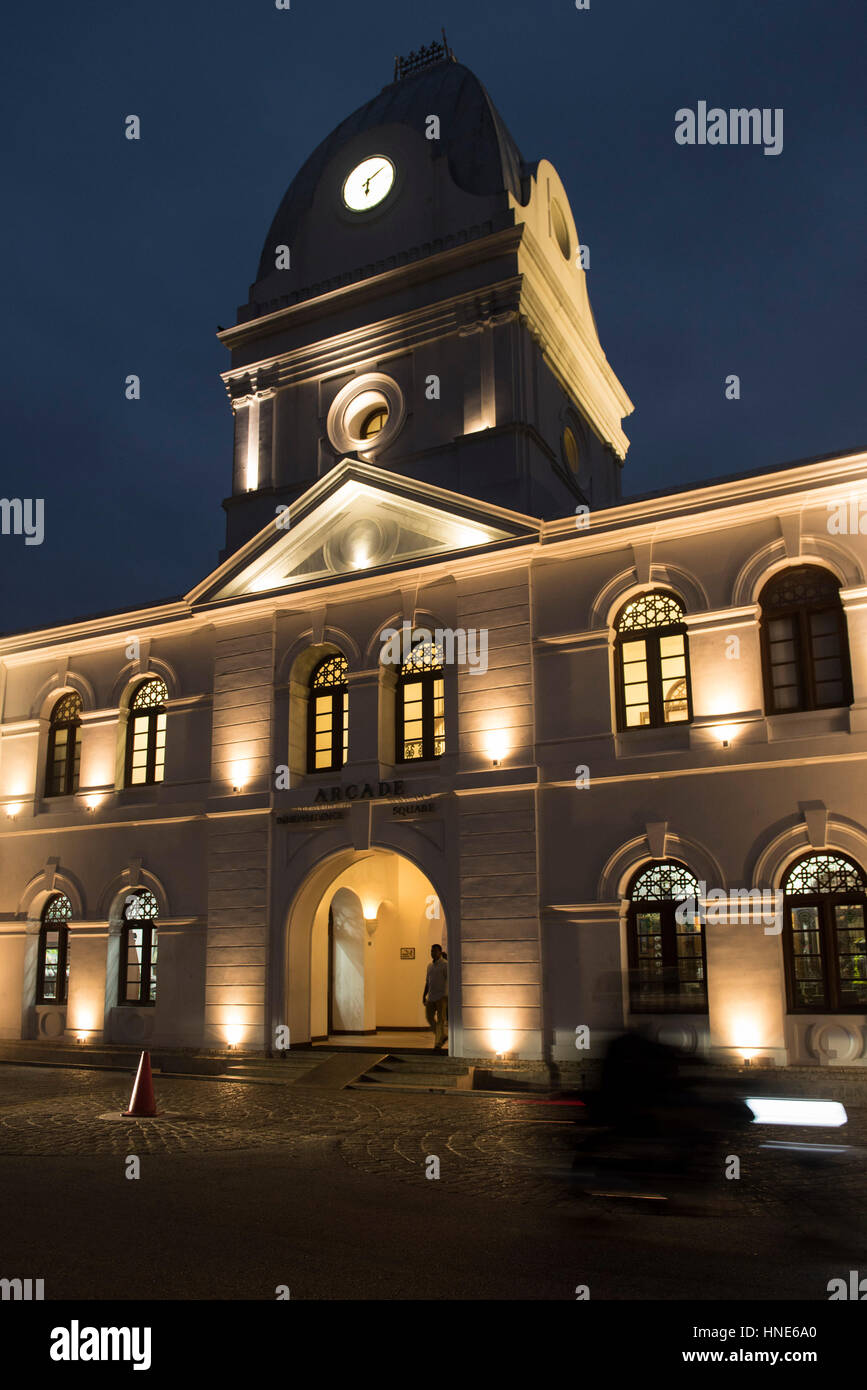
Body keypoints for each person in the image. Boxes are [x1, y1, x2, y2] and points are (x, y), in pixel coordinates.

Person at [423, 943, 448, 1051]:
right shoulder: (429, 966)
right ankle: (442, 1035)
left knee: (440, 1020)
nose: (432, 953)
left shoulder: (445, 965)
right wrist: (424, 995)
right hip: (431, 996)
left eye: (434, 951)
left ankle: (438, 1043)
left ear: (440, 952)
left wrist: (447, 995)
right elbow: (427, 982)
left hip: (442, 996)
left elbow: (449, 980)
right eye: (431, 951)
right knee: (429, 1017)